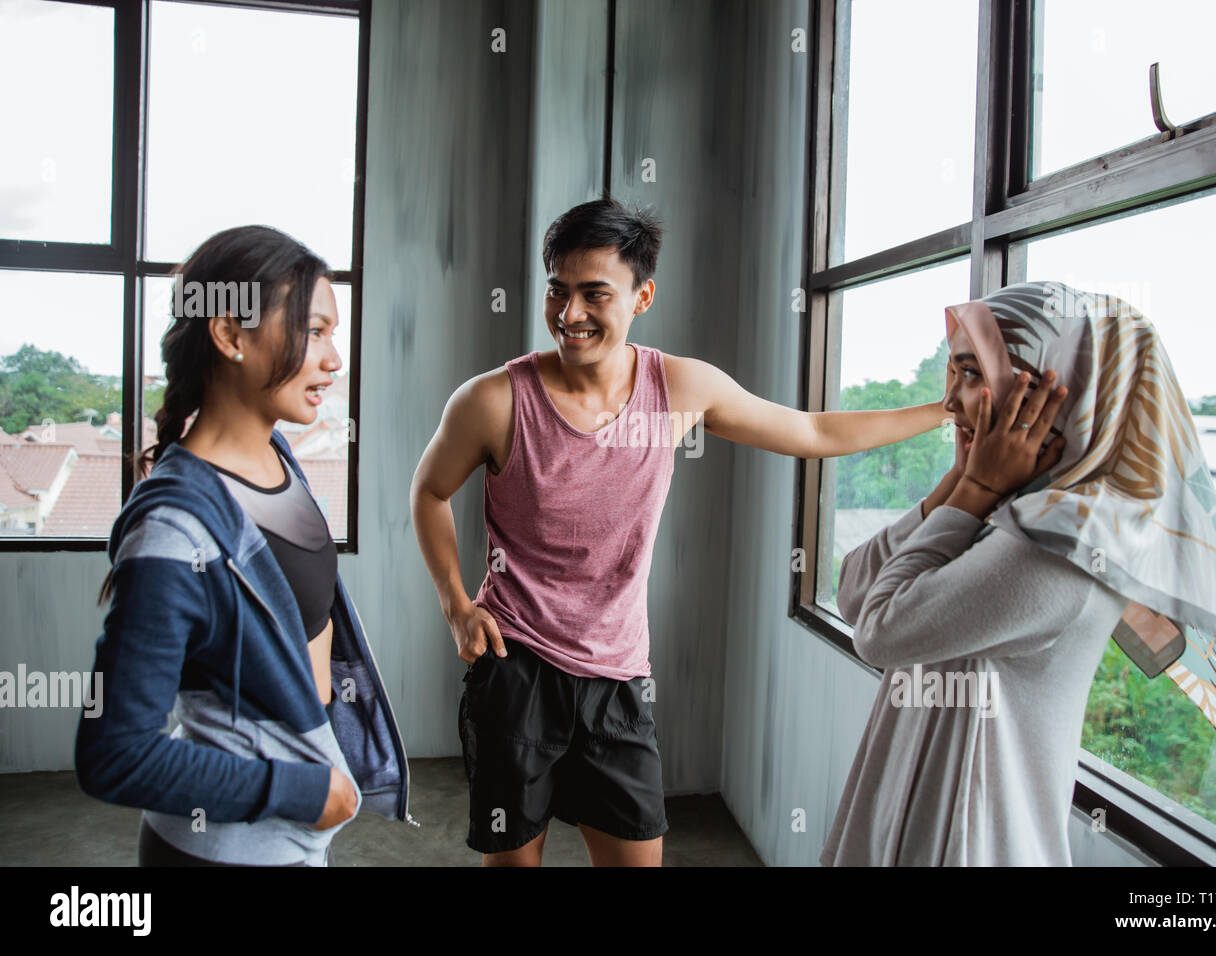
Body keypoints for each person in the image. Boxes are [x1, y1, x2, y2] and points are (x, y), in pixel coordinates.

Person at [410, 197, 950, 866]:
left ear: (643, 296)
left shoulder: (680, 389)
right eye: (557, 291)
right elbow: (429, 491)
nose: (569, 314)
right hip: (516, 668)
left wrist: (946, 410)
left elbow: (812, 432)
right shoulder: (493, 400)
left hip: (617, 674)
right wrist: (455, 605)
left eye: (593, 294)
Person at [821, 280, 1216, 866]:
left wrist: (975, 487)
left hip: (969, 839)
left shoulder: (1069, 543)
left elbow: (880, 631)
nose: (950, 402)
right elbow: (856, 591)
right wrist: (962, 485)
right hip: (923, 815)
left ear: (1061, 391)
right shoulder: (1005, 507)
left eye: (974, 374)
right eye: (953, 374)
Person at [75, 225, 413, 867]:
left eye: (331, 333)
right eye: (313, 331)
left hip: (294, 840)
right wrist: (302, 789)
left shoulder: (276, 455)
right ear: (230, 334)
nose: (334, 359)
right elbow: (114, 754)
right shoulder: (174, 527)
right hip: (225, 852)